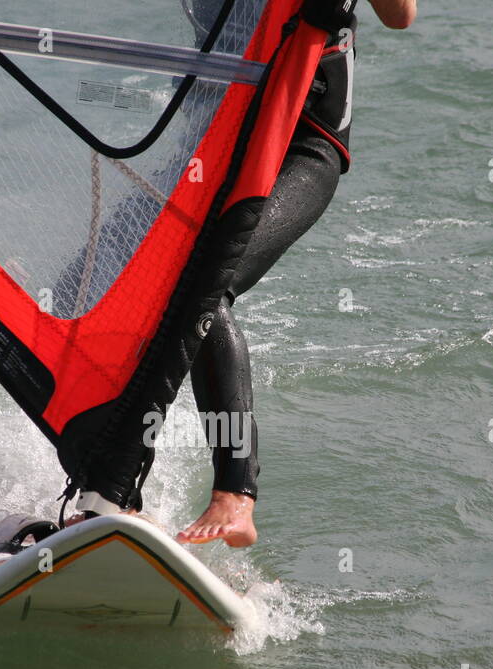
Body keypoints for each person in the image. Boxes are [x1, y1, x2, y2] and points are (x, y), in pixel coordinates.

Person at [72, 0, 418, 545]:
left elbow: (401, 15)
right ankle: (99, 491)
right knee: (89, 279)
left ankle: (235, 493)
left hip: (301, 145)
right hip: (213, 143)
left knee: (209, 287)